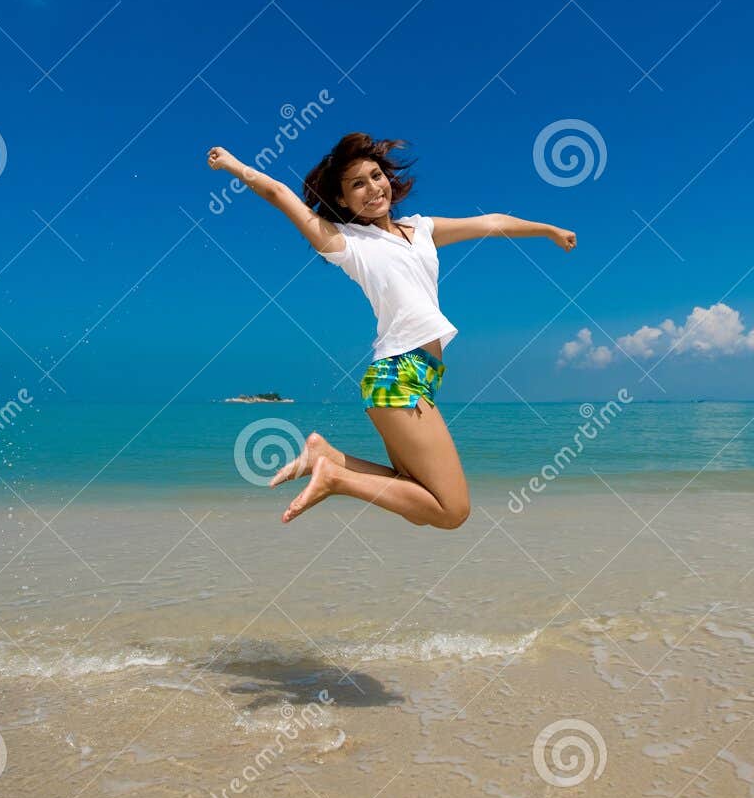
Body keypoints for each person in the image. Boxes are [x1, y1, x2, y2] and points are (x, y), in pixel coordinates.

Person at [206, 134, 576, 528]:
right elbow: (280, 193)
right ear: (344, 200)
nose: (372, 188)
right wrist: (232, 164)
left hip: (419, 378)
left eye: (375, 175)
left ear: (388, 177)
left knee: (418, 500)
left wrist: (548, 229)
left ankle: (327, 460)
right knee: (452, 511)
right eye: (357, 185)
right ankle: (335, 478)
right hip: (399, 375)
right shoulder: (346, 243)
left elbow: (490, 222)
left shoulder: (422, 230)